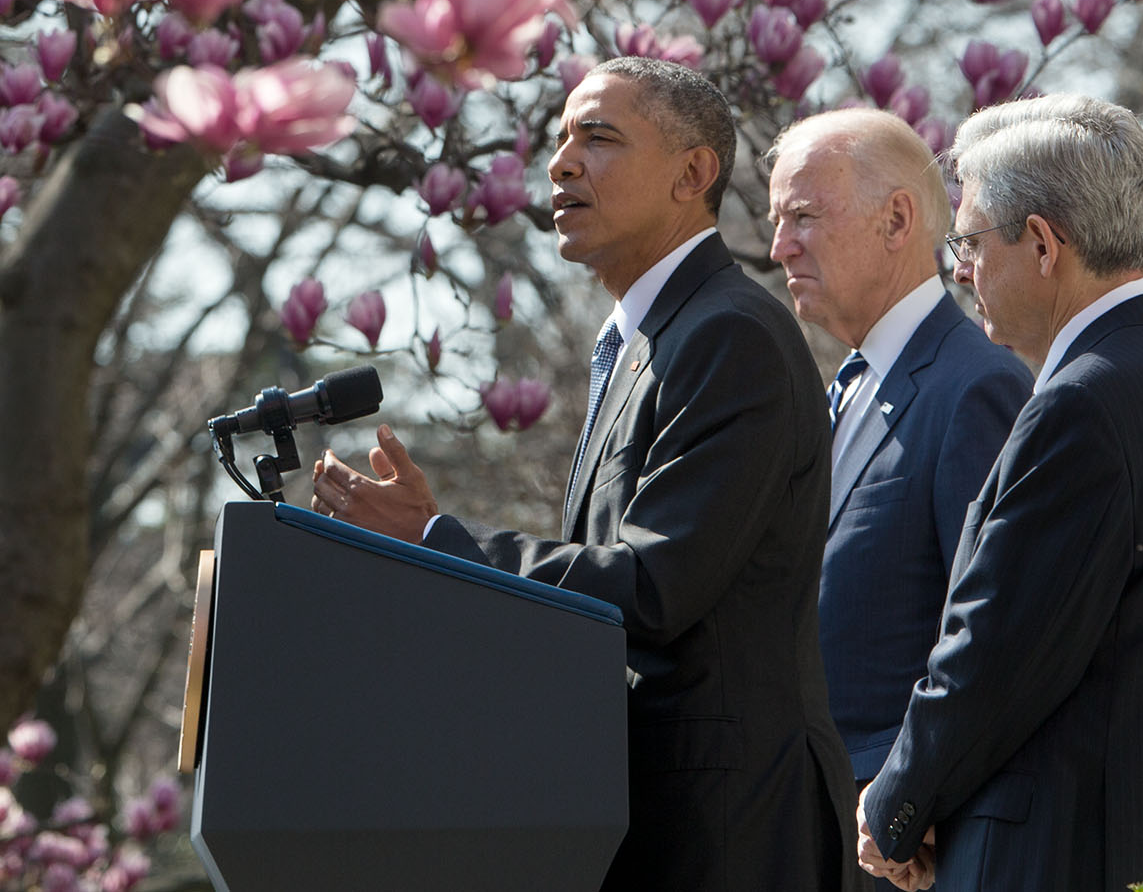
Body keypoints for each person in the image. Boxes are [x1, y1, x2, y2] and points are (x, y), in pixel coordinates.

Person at [314, 56, 853, 892]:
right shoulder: (648, 338)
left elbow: (651, 583)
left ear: (693, 173)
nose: (560, 163)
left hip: (729, 832)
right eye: (559, 139)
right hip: (644, 817)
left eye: (597, 137)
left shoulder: (729, 334)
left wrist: (434, 539)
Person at [855, 95, 1143, 892]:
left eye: (971, 241)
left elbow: (997, 651)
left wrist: (894, 805)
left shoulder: (1081, 405)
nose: (959, 268)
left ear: (1044, 243)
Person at [768, 110, 1029, 890]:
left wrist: (916, 799)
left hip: (899, 845)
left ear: (897, 219)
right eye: (778, 220)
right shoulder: (847, 385)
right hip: (816, 822)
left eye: (804, 216)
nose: (781, 245)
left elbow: (990, 633)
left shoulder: (975, 384)